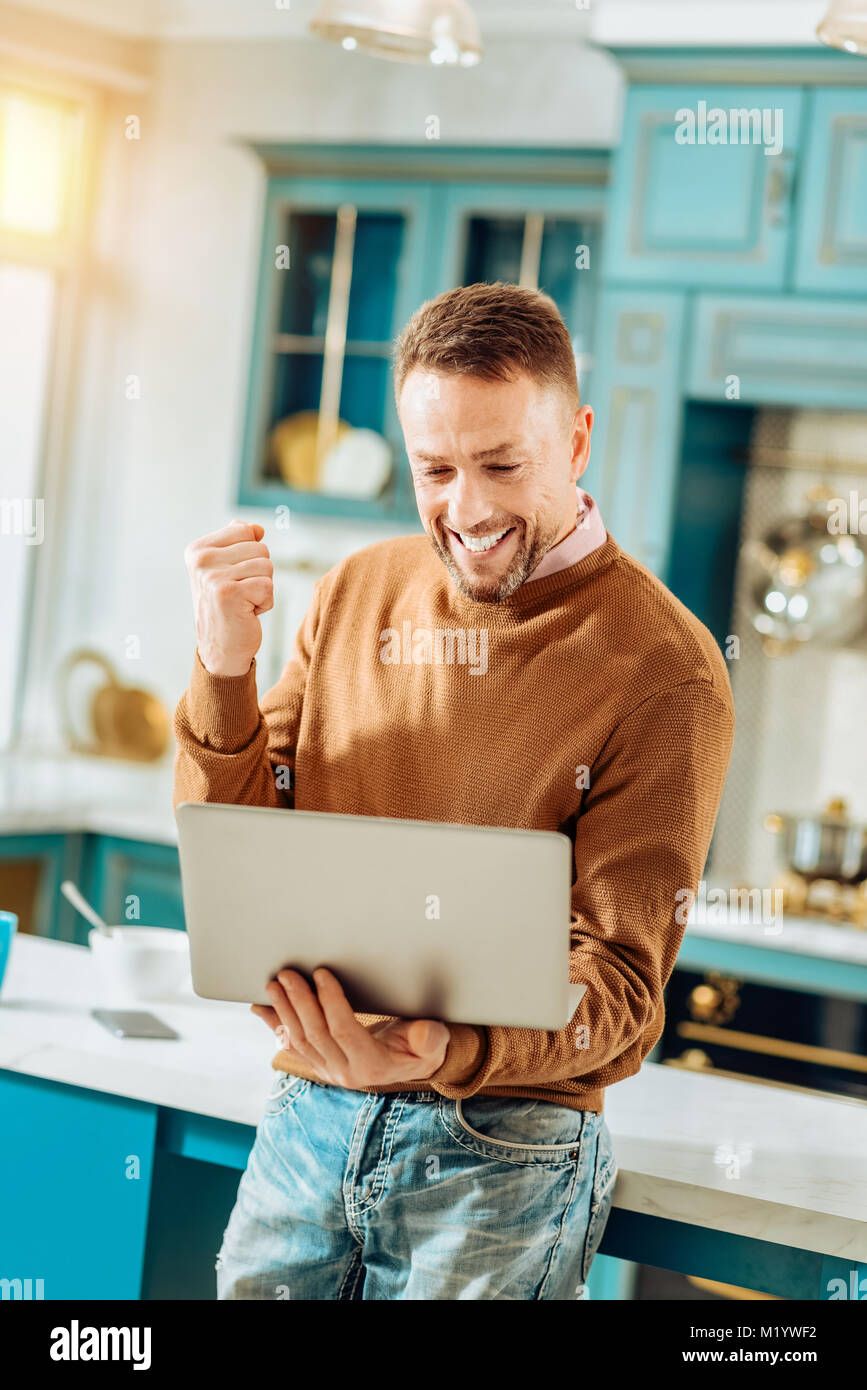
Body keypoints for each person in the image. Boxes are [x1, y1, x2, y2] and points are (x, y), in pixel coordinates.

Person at [173, 281, 735, 1301]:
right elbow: (234, 846)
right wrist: (222, 666)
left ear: (575, 441)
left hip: (501, 1153)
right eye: (435, 469)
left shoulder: (666, 669)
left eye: (501, 465)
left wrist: (453, 1047)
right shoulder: (354, 592)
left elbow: (619, 993)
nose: (466, 509)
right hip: (308, 1110)